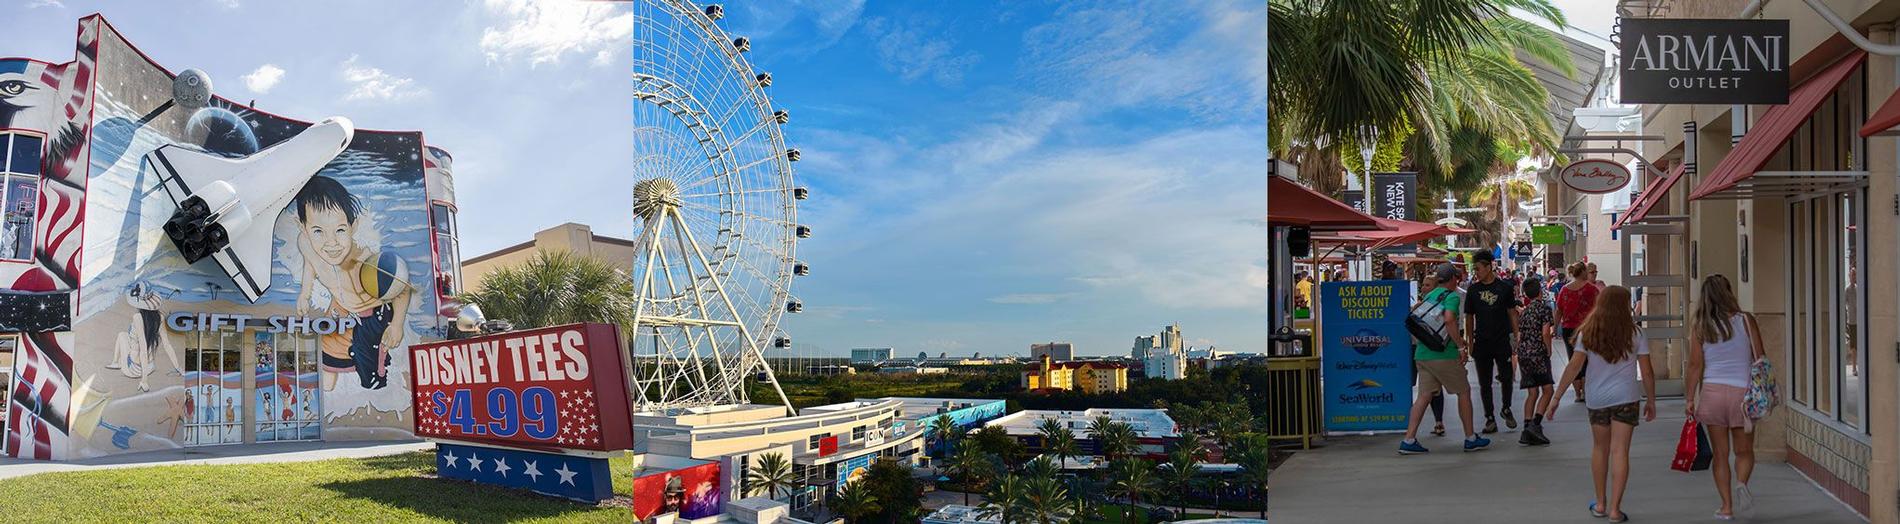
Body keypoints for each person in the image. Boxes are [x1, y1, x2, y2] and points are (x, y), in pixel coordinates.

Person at [1547, 286, 1657, 523]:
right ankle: (1616, 510)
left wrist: (1556, 398)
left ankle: (1600, 503)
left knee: (1600, 449)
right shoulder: (1636, 333)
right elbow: (1647, 372)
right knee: (1620, 452)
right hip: (1626, 398)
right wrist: (1651, 400)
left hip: (1597, 400)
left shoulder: (1588, 332)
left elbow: (1574, 367)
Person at [295, 176, 413, 391]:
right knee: (326, 377)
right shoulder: (305, 244)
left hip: (370, 315)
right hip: (339, 309)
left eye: (340, 230)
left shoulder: (365, 263)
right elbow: (310, 264)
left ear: (353, 226)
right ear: (303, 228)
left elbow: (402, 288)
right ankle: (316, 414)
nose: (331, 243)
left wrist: (396, 325)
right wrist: (305, 292)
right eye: (318, 231)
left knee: (372, 381)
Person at [1684, 275, 1764, 521]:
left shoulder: (1700, 326)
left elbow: (1695, 365)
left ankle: (1726, 507)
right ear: (1729, 293)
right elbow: (1760, 356)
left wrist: (1689, 399)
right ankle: (1742, 483)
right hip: (1743, 393)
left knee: (1720, 454)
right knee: (1744, 451)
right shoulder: (1746, 321)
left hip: (1713, 393)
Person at [1399, 264, 1490, 454]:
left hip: (1423, 354)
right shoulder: (1452, 297)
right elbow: (1449, 319)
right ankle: (1470, 437)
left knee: (1423, 396)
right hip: (1444, 355)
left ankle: (1408, 439)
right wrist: (1460, 345)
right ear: (1453, 279)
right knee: (1463, 392)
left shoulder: (1429, 295)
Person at [1464, 251, 1519, 433]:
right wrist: (1470, 341)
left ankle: (1506, 407)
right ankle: (1490, 417)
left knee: (1506, 377)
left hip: (1502, 340)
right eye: (1475, 269)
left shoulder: (1504, 288)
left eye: (1479, 269)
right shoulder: (1473, 290)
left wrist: (1516, 336)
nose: (1476, 272)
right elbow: (1469, 317)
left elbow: (1512, 313)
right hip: (1482, 342)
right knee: (1484, 382)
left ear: (1489, 267)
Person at [1516, 277, 1556, 446]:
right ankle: (1536, 423)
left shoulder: (1524, 311)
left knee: (1532, 392)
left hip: (1524, 353)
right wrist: (1548, 349)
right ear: (1540, 291)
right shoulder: (1543, 309)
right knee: (1548, 390)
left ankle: (1526, 426)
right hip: (1538, 352)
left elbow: (1519, 333)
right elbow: (1546, 332)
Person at [1556, 262, 1601, 403]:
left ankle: (1577, 394)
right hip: (1587, 327)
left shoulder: (1564, 289)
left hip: (1568, 328)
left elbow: (1559, 310)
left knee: (1573, 360)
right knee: (1588, 360)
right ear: (1583, 272)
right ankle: (1587, 392)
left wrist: (1554, 327)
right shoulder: (1591, 289)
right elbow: (1599, 308)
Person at [1416, 273, 1447, 436]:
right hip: (1421, 353)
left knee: (1433, 390)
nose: (1423, 287)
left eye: (1427, 285)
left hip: (1434, 353)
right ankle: (1437, 422)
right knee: (1431, 390)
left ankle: (1438, 422)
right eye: (1423, 284)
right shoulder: (1420, 305)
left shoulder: (1438, 306)